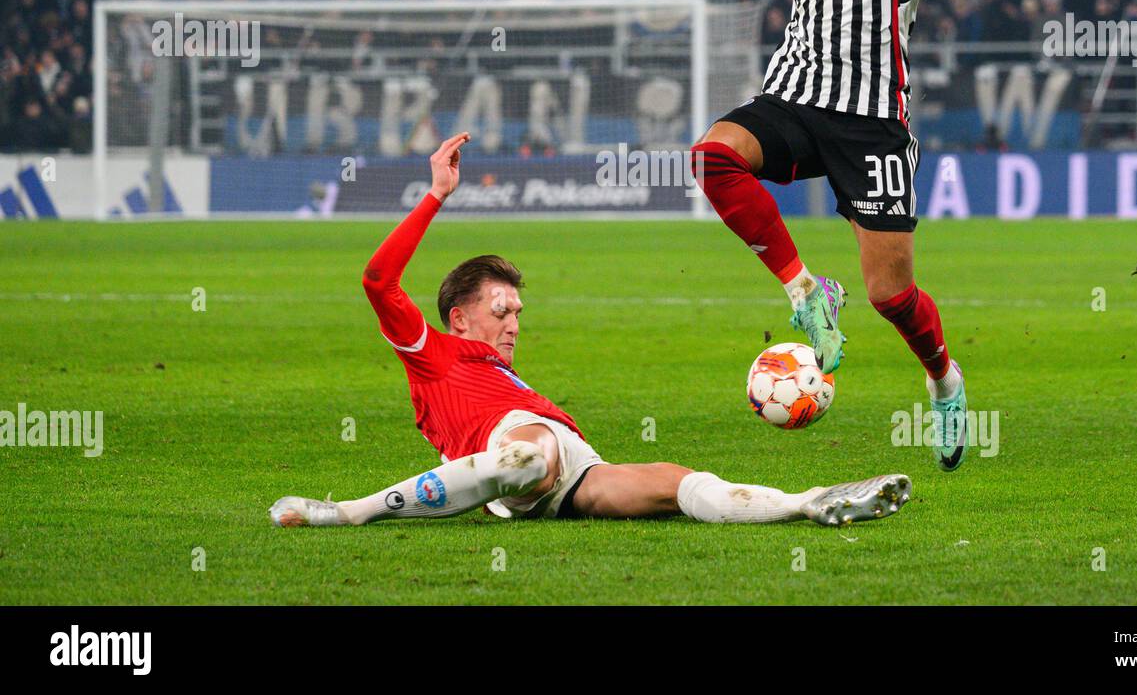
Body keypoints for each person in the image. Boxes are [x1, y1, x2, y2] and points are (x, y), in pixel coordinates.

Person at [270, 133, 911, 528]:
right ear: (459, 316)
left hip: (576, 472)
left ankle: (810, 501)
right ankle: (348, 512)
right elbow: (379, 281)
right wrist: (437, 193)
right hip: (519, 455)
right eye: (501, 310)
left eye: (518, 311)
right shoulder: (432, 352)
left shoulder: (501, 371)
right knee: (524, 456)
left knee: (675, 484)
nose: (514, 321)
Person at [689, 0, 998, 472]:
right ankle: (807, 292)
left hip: (872, 118)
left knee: (892, 295)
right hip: (796, 94)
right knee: (712, 156)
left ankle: (945, 383)